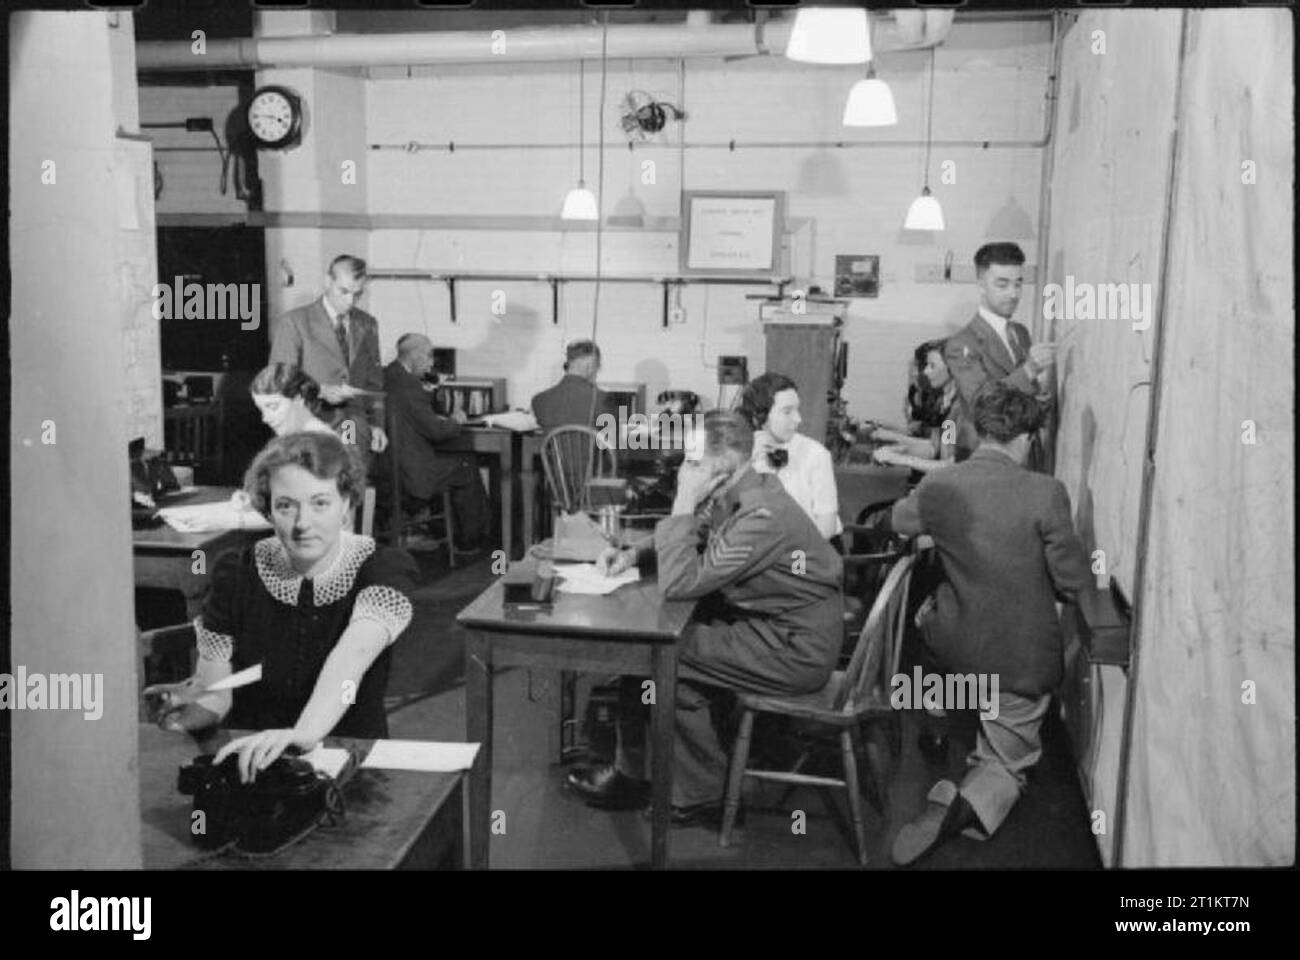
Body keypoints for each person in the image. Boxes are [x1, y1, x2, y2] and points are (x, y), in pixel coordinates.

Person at [565, 410, 844, 823]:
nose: (684, 469)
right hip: (774, 631)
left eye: (692, 462)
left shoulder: (760, 515)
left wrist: (682, 496)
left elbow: (681, 582)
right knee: (660, 652)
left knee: (659, 651)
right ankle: (668, 780)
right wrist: (632, 553)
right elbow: (698, 527)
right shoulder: (747, 488)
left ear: (720, 464)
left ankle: (684, 791)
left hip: (795, 650)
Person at [887, 383, 1091, 865]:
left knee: (929, 615)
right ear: (1027, 438)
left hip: (952, 647)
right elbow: (1072, 583)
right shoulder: (1046, 492)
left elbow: (899, 519)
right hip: (1016, 659)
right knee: (1008, 762)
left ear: (979, 430)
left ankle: (937, 721)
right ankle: (965, 808)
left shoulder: (942, 485)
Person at [143, 432, 419, 783]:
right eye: (287, 505)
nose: (303, 524)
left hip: (351, 759)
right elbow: (218, 693)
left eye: (320, 503)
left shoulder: (384, 569)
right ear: (267, 509)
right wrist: (189, 712)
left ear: (347, 506)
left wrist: (302, 735)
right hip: (253, 760)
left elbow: (353, 656)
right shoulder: (236, 572)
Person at [269, 254, 388, 458]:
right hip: (307, 426)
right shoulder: (294, 322)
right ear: (327, 282)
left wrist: (376, 424)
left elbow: (373, 383)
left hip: (351, 425)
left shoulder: (367, 324)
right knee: (314, 484)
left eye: (357, 294)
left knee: (346, 478)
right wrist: (320, 391)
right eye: (343, 291)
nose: (350, 301)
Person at [382, 333, 490, 552]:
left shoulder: (386, 375)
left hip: (385, 468)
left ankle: (441, 529)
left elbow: (411, 415)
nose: (431, 363)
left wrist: (427, 396)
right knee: (466, 464)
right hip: (410, 473)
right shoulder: (410, 387)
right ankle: (470, 540)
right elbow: (436, 431)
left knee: (451, 463)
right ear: (414, 356)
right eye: (429, 357)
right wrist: (456, 420)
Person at [738, 372, 842, 539]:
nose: (798, 419)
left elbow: (826, 526)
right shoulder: (742, 456)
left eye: (797, 410)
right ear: (760, 416)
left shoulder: (816, 454)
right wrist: (747, 462)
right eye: (787, 412)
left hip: (804, 552)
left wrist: (789, 556)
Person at [870, 340, 964, 474]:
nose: (925, 372)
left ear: (952, 369)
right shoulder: (944, 403)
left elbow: (952, 466)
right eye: (926, 365)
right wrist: (901, 450)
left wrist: (902, 459)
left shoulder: (961, 409)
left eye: (932, 366)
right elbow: (934, 448)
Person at [530, 339, 618, 433]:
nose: (598, 370)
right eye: (597, 365)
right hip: (592, 448)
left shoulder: (539, 400)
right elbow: (618, 439)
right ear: (589, 365)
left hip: (554, 448)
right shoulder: (604, 399)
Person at [249, 363, 335, 437]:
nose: (265, 418)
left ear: (299, 399)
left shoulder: (322, 445)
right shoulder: (294, 441)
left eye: (273, 407)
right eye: (261, 410)